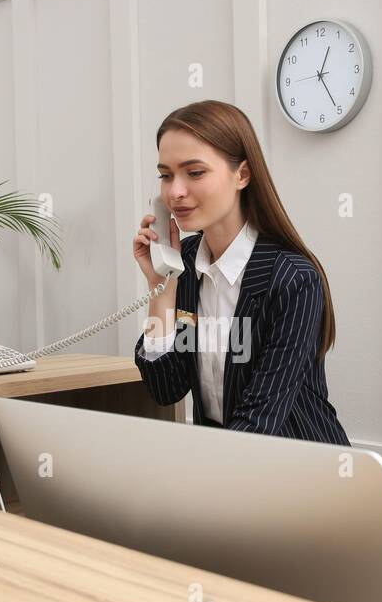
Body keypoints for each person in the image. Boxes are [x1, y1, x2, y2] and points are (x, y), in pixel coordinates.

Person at [131, 99, 349, 446]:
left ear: (242, 175)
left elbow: (260, 418)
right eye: (166, 175)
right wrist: (161, 289)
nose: (175, 192)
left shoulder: (293, 279)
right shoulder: (184, 264)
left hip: (302, 470)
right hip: (229, 465)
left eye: (195, 172)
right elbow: (165, 388)